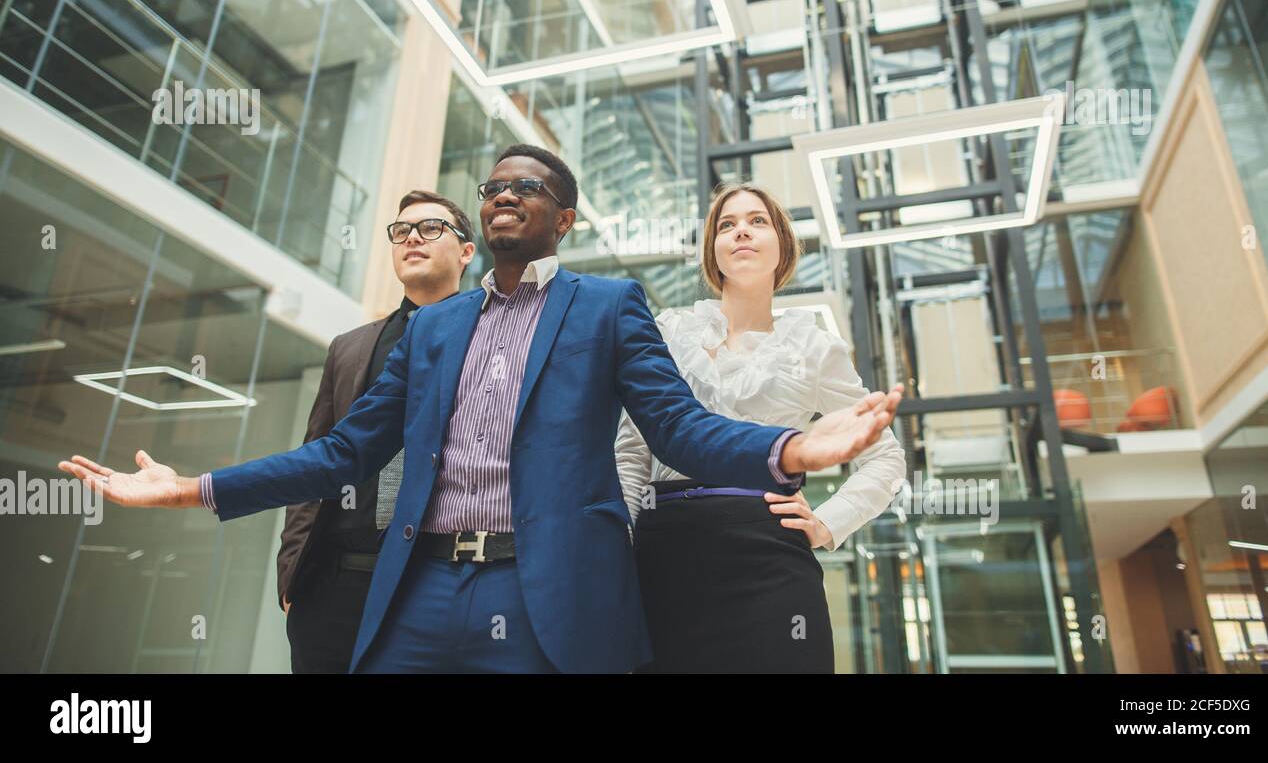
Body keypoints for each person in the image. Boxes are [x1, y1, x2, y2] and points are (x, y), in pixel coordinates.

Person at [60, 144, 903, 674]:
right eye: (494, 184)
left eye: (527, 185)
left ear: (562, 219)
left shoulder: (609, 306)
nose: (504, 193)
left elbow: (677, 428)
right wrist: (197, 488)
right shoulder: (437, 328)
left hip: (540, 597)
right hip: (420, 589)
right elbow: (345, 451)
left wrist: (795, 450)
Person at [616, 183, 907, 673]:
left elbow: (886, 457)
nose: (741, 232)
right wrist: (617, 547)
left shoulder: (815, 347)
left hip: (770, 558)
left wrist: (828, 523)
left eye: (757, 221)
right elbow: (630, 453)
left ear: (782, 246)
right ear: (713, 251)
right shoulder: (667, 332)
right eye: (726, 225)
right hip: (662, 553)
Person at [278, 190, 475, 673]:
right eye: (402, 231)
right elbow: (316, 456)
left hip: (432, 577)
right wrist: (291, 572)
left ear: (467, 250)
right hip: (335, 581)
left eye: (431, 228)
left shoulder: (489, 338)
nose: (413, 238)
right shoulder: (350, 347)